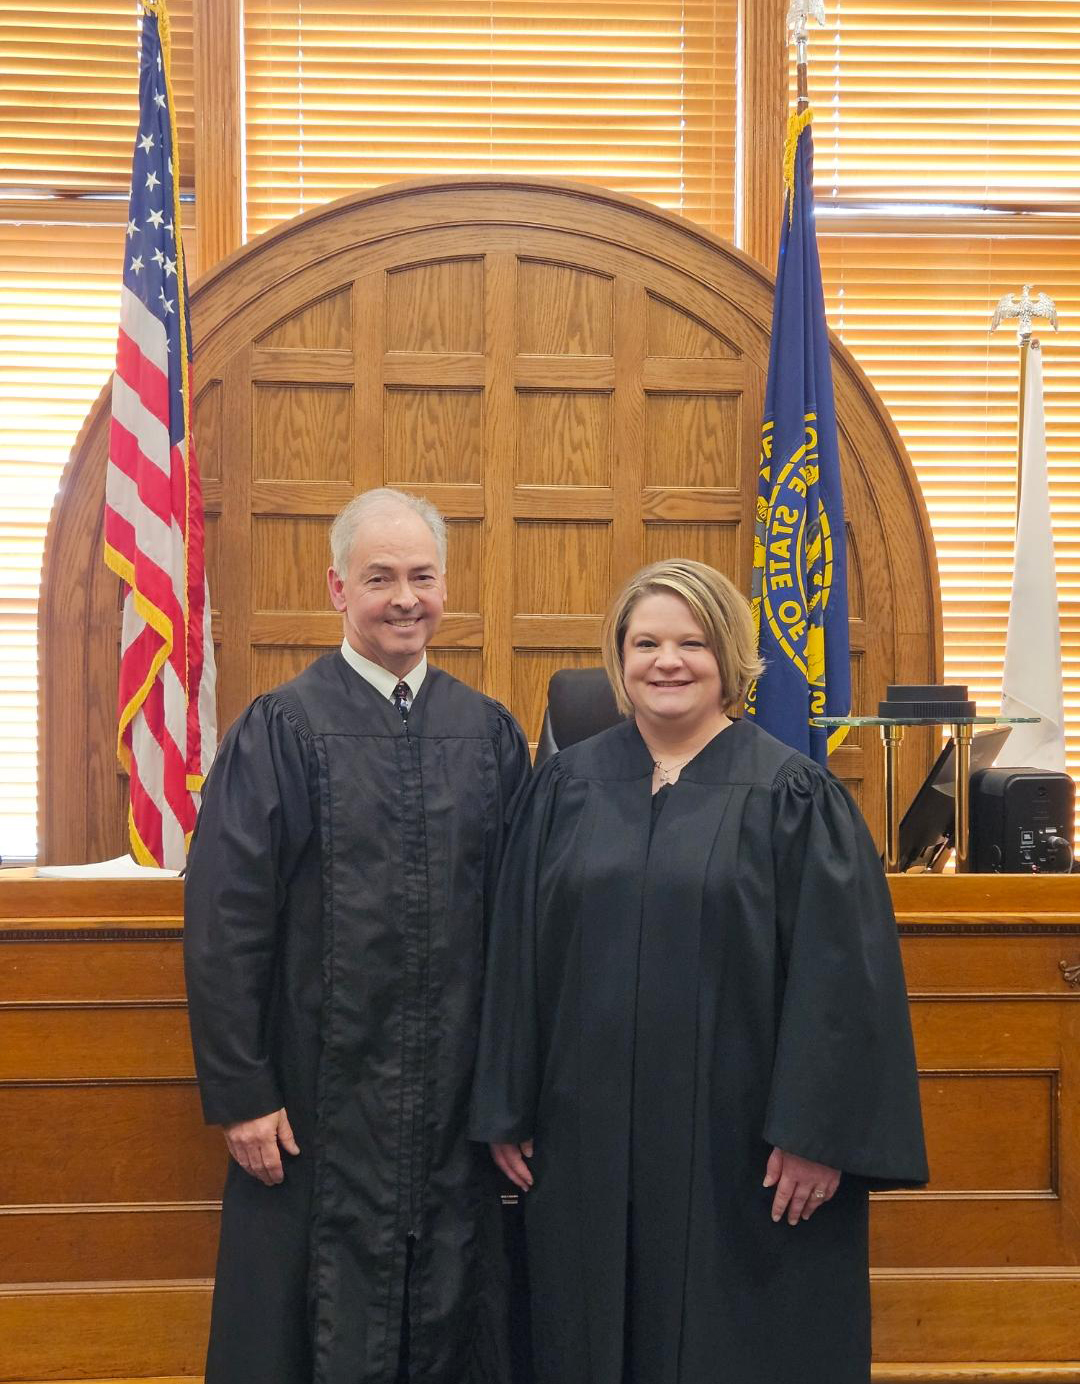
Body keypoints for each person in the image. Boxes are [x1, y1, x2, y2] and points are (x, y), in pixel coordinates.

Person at [469, 559, 928, 1384]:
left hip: (741, 1150)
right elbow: (517, 951)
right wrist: (507, 1103)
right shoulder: (565, 787)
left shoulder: (793, 796)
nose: (667, 662)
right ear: (619, 658)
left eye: (691, 643)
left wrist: (815, 1135)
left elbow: (840, 985)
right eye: (645, 643)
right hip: (586, 1138)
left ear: (730, 657)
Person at [184, 487, 530, 1384]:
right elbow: (225, 926)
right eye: (380, 578)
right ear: (338, 588)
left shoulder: (487, 734)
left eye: (421, 576)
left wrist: (511, 1092)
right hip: (315, 1106)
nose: (404, 599)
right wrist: (243, 1094)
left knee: (457, 1307)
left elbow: (524, 929)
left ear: (446, 586)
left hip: (454, 1106)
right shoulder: (281, 729)